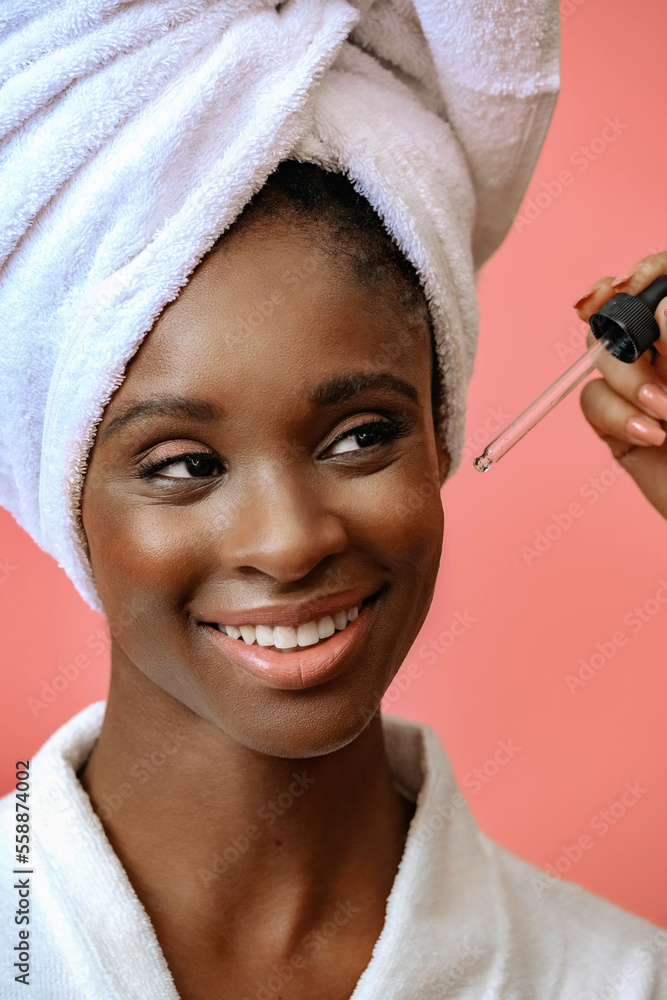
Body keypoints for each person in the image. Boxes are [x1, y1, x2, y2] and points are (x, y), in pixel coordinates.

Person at [1, 3, 666, 999]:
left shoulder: (618, 979)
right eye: (182, 462)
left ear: (439, 433)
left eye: (359, 436)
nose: (289, 540)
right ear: (57, 488)